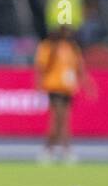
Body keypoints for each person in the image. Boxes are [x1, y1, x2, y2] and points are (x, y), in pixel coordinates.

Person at [34, 24, 91, 163]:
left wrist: (86, 84)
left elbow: (79, 67)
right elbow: (41, 66)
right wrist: (39, 84)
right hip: (54, 87)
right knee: (59, 120)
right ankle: (60, 149)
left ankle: (53, 150)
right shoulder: (49, 46)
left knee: (62, 120)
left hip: (67, 88)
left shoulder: (72, 48)